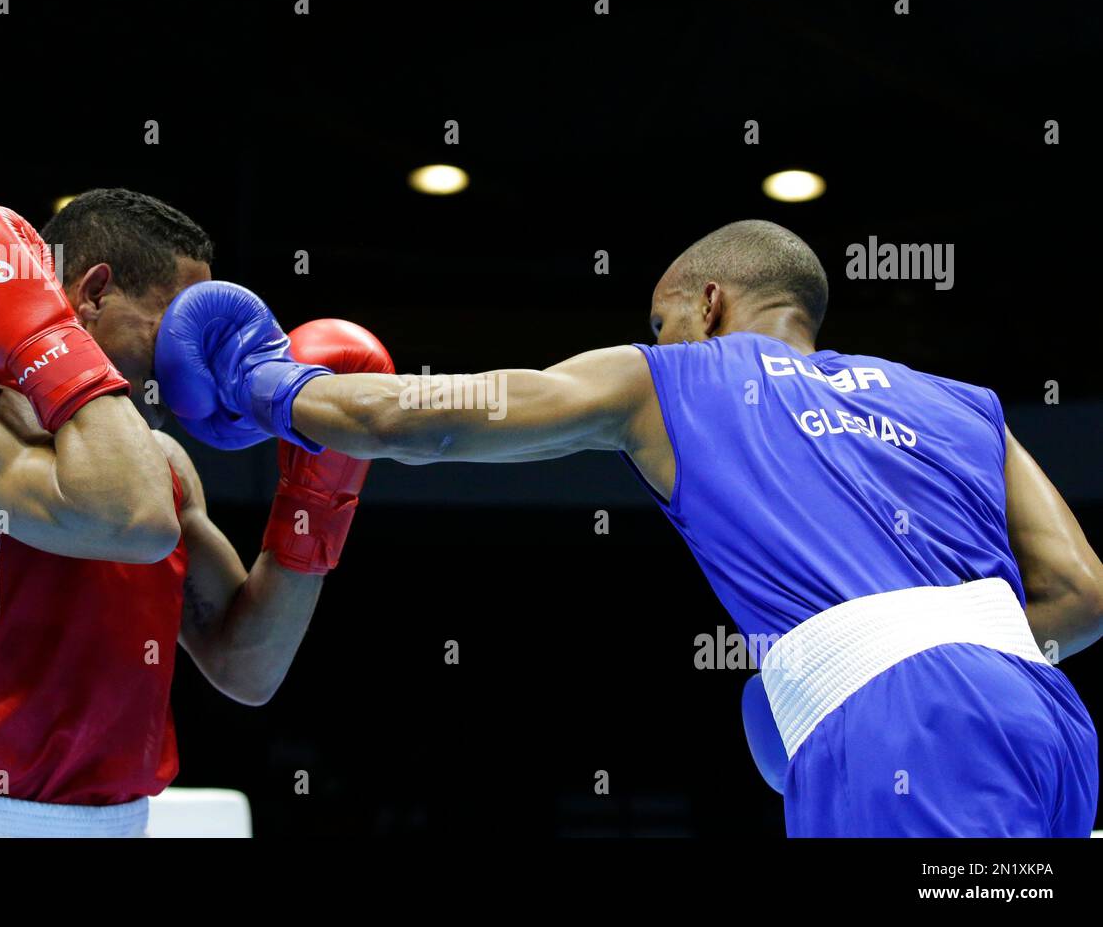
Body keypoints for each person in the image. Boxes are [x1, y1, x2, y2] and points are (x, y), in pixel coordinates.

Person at [156, 219, 1103, 836]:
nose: (658, 340)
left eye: (662, 320)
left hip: (906, 734)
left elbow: (435, 413)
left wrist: (274, 386)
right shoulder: (961, 405)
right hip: (1048, 723)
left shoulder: (674, 376)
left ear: (709, 304)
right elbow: (1083, 597)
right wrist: (868, 665)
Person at [0, 189, 391, 837]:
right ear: (94, 293)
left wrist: (318, 493)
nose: (193, 357)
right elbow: (134, 524)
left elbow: (248, 668)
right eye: (179, 321)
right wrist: (58, 347)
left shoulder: (162, 465)